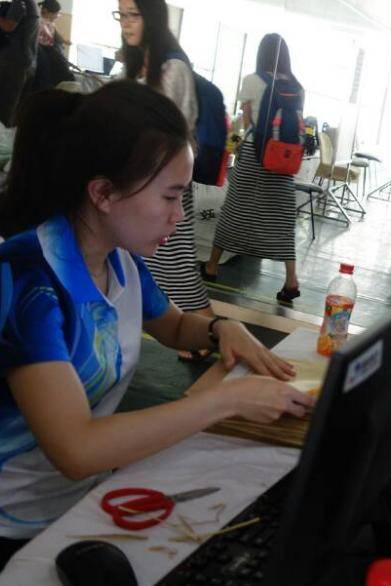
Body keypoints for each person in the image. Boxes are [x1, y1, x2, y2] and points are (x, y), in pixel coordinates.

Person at [0, 81, 314, 569]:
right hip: (15, 527)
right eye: (170, 197)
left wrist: (219, 329)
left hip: (82, 502)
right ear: (104, 192)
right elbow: (77, 448)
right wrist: (228, 399)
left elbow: (173, 326)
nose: (178, 216)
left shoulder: (119, 258)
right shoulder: (29, 281)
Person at [118, 0, 215, 362]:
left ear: (152, 16)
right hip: (143, 183)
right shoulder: (138, 63)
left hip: (164, 185)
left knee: (175, 265)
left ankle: (214, 338)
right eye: (121, 14)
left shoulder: (172, 67)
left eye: (133, 14)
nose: (126, 23)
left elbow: (174, 131)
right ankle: (208, 338)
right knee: (152, 264)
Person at [204, 33, 304, 306]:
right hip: (284, 160)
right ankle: (291, 280)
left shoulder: (252, 80)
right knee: (282, 218)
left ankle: (211, 266)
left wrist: (231, 146)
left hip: (254, 154)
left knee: (236, 208)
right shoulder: (297, 86)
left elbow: (246, 124)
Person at [0, 0, 38, 127]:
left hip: (13, 62)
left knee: (5, 105)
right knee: (14, 106)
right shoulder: (33, 4)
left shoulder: (20, 2)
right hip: (27, 61)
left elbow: (9, 25)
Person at [27, 0, 73, 93]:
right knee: (46, 63)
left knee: (60, 60)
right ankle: (45, 87)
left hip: (48, 48)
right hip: (39, 47)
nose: (56, 16)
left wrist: (65, 41)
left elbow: (56, 35)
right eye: (55, 14)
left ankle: (67, 81)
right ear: (46, 11)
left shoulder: (51, 23)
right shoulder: (38, 20)